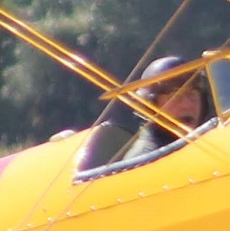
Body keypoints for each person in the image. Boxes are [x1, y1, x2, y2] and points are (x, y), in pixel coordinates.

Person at [74, 55, 214, 176]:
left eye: (192, 94)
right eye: (175, 96)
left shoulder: (201, 146)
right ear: (151, 105)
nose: (187, 104)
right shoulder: (145, 162)